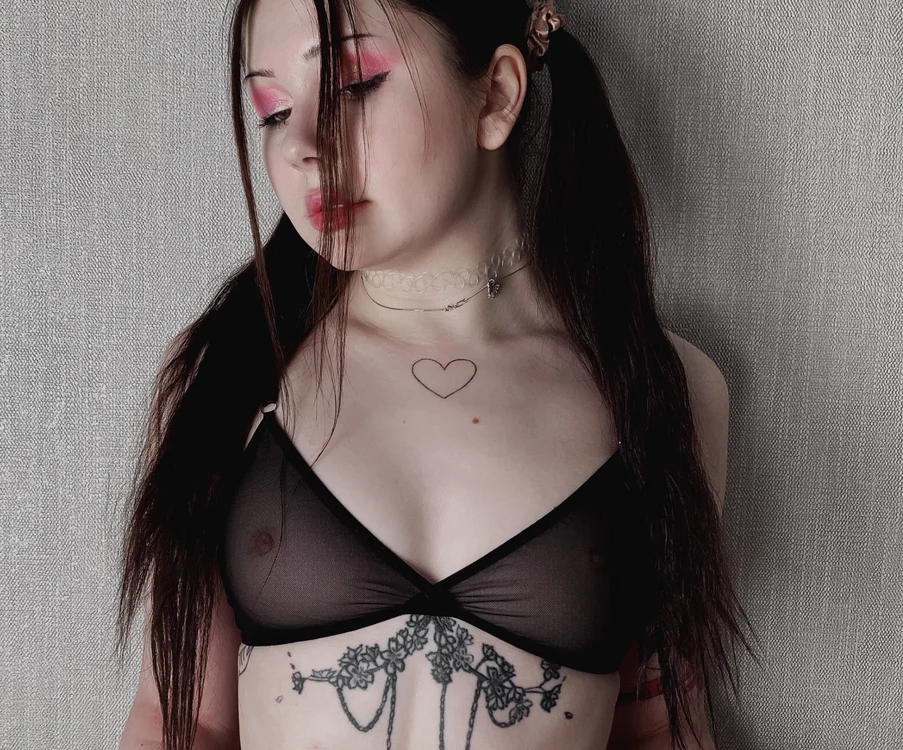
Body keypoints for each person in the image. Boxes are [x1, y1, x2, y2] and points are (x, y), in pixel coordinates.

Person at [115, 1, 759, 749]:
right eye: (273, 111)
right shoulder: (226, 379)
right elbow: (180, 722)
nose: (300, 146)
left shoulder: (662, 390)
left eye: (354, 86)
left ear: (496, 96)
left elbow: (660, 728)